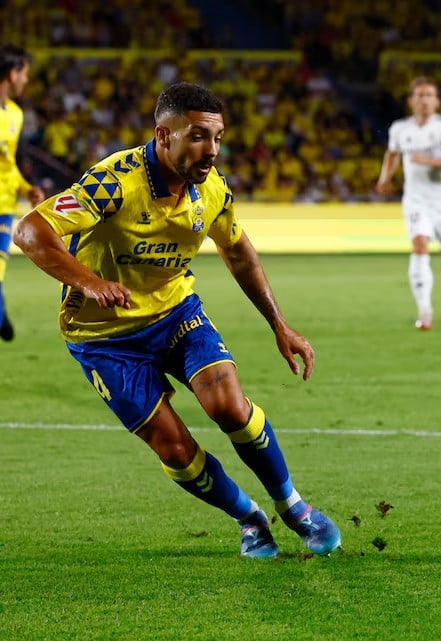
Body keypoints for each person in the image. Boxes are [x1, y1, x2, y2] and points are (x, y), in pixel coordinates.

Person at [13, 82, 340, 559]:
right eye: (198, 136)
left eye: (218, 137)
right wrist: (87, 281)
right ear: (162, 136)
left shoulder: (211, 190)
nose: (211, 150)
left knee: (228, 404)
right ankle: (249, 519)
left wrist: (280, 325)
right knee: (174, 449)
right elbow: (30, 231)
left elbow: (238, 252)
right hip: (104, 338)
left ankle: (293, 506)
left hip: (175, 314)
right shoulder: (114, 182)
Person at [376, 76, 441, 330]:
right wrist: (385, 177)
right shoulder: (399, 129)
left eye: (429, 95)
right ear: (411, 101)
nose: (425, 100)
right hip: (416, 201)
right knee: (419, 245)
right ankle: (424, 310)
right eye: (420, 95)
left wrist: (429, 161)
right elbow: (392, 153)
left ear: (437, 101)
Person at [0, 45, 45, 341]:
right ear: (12, 73)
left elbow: (8, 164)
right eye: (25, 74)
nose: (26, 81)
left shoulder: (15, 115)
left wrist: (25, 188)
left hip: (4, 206)